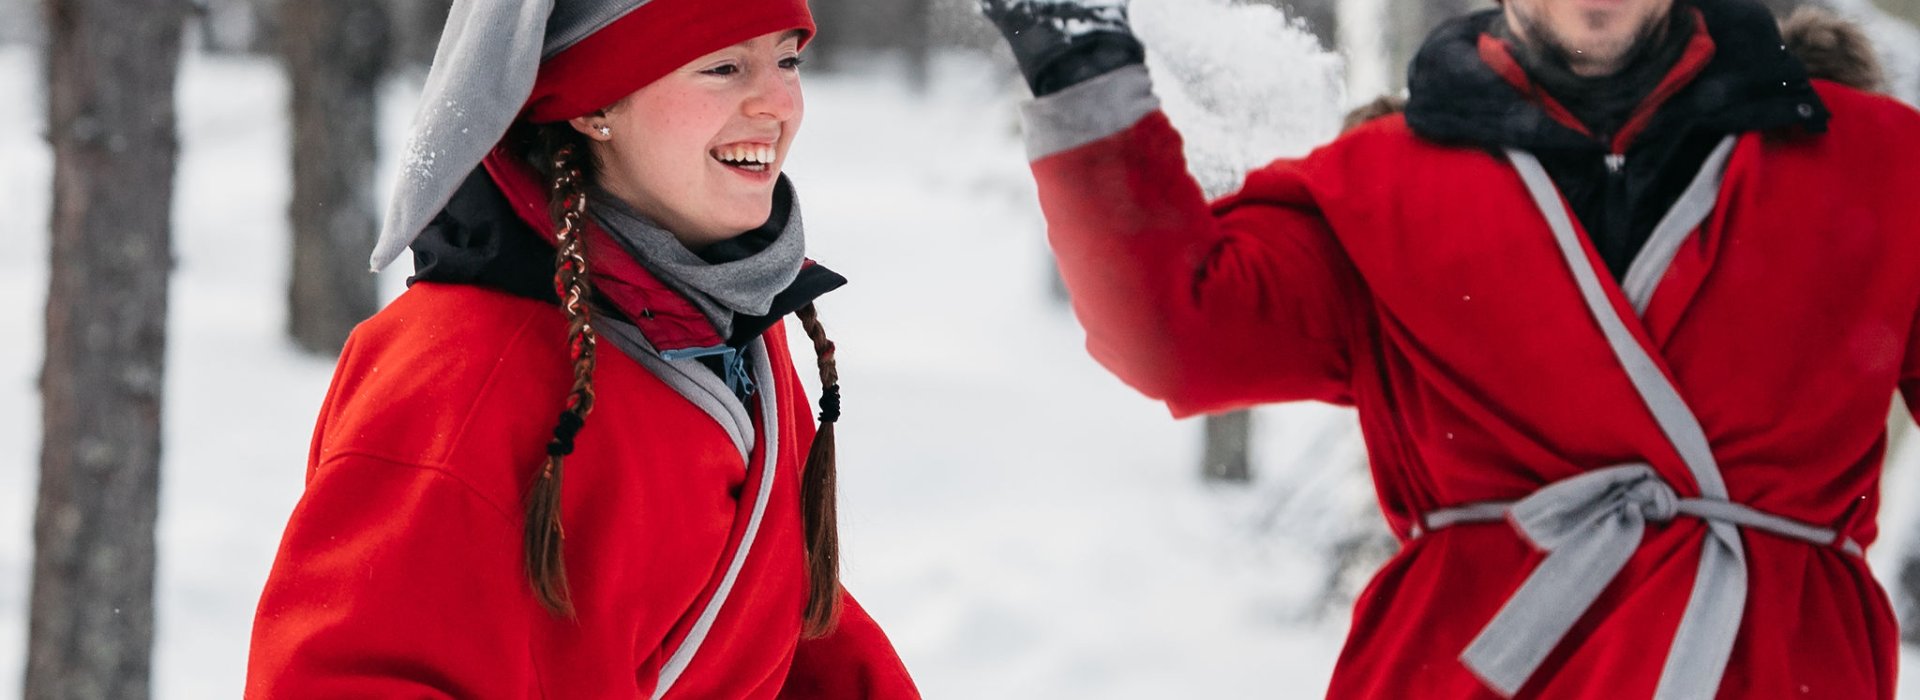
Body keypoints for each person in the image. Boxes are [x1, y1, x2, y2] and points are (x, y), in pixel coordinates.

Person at [978, 0, 1920, 697]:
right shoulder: (1380, 178)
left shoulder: (1876, 165)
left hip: (1776, 667)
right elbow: (1172, 333)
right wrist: (1082, 67)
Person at [246, 1, 919, 697]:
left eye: (788, 60)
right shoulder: (463, 375)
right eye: (723, 67)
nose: (780, 103)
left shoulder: (722, 322)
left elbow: (774, 614)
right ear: (595, 105)